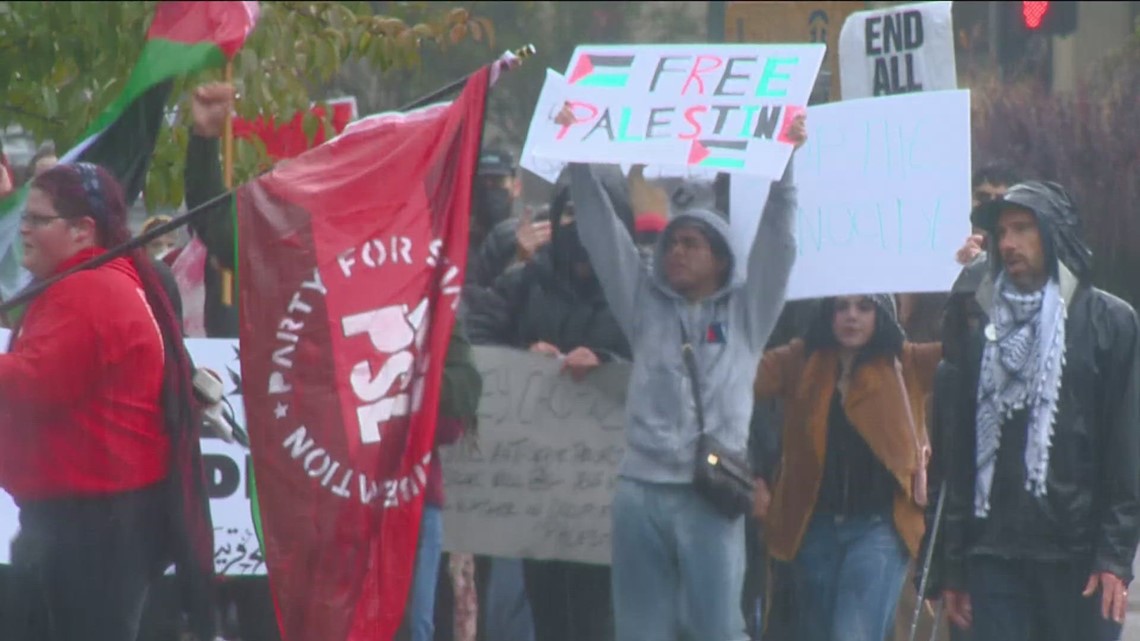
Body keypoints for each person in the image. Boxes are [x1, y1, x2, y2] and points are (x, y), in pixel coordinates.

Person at [556, 103, 807, 641]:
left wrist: (783, 160)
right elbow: (602, 235)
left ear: (722, 258)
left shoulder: (747, 313)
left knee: (716, 628)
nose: (676, 251)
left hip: (709, 495)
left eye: (692, 244)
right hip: (639, 494)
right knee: (640, 630)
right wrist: (578, 156)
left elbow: (779, 242)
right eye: (671, 242)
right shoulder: (642, 306)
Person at [0, 163, 214, 641]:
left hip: (90, 525)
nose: (24, 228)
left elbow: (32, 384)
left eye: (37, 219)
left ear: (82, 230)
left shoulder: (88, 291)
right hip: (96, 519)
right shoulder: (105, 279)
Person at [937, 181, 1140, 641]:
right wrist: (953, 567)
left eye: (1023, 228)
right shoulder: (978, 323)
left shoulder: (1109, 322)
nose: (1008, 243)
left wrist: (1113, 557)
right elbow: (960, 452)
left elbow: (1125, 451)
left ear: (1054, 233)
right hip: (993, 555)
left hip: (1077, 557)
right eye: (1002, 232)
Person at [470, 166, 634, 641]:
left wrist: (607, 363)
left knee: (601, 617)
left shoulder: (641, 288)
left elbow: (666, 361)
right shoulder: (526, 280)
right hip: (537, 483)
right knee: (547, 615)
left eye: (594, 213)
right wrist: (522, 360)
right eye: (570, 212)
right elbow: (471, 335)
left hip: (612, 489)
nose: (579, 227)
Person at [752, 294, 940, 641]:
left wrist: (970, 277)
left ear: (881, 314)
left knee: (852, 634)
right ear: (828, 313)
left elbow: (965, 349)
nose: (851, 317)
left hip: (880, 528)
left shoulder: (906, 361)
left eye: (864, 307)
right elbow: (739, 375)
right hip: (813, 528)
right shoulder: (801, 359)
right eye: (842, 307)